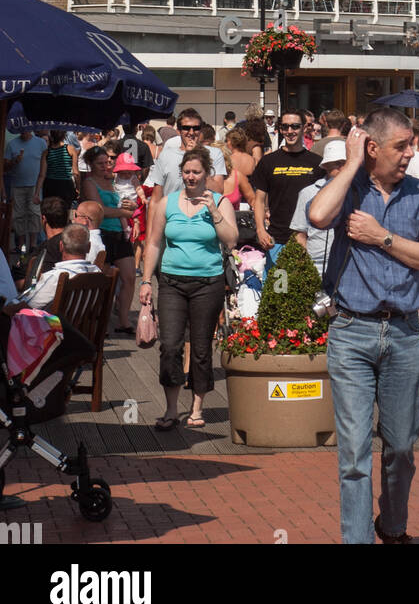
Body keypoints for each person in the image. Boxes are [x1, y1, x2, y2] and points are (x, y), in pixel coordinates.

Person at [308, 110, 419, 545]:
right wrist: (351, 165)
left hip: (404, 333)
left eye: (413, 145)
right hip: (351, 331)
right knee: (353, 454)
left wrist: (380, 236)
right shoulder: (349, 189)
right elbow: (316, 216)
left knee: (401, 447)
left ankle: (392, 525)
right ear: (373, 147)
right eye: (401, 146)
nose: (412, 153)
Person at [140, 149, 237, 430]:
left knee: (201, 347)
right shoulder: (166, 203)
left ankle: (196, 408)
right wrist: (146, 280)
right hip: (171, 281)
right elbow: (154, 244)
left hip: (208, 282)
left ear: (206, 174)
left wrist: (214, 211)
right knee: (170, 345)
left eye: (196, 172)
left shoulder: (219, 202)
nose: (191, 177)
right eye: (187, 172)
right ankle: (171, 409)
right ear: (181, 173)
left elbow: (231, 240)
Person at [252, 112, 321, 277]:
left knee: (305, 295)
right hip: (278, 241)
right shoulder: (269, 162)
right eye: (285, 126)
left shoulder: (317, 163)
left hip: (309, 241)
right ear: (280, 129)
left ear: (304, 128)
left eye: (295, 126)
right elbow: (259, 201)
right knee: (279, 292)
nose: (290, 131)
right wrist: (261, 230)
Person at [80, 144, 137, 333]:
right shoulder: (89, 183)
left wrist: (132, 204)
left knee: (129, 277)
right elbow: (99, 210)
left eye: (108, 162)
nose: (106, 166)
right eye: (100, 163)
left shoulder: (114, 181)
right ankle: (99, 321)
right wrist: (124, 211)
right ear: (91, 165)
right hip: (101, 234)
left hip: (120, 234)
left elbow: (129, 202)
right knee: (102, 280)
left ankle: (123, 320)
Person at [146, 109, 227, 212]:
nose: (191, 133)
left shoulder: (215, 154)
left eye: (196, 128)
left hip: (203, 218)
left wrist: (198, 155)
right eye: (186, 128)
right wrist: (151, 228)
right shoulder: (166, 155)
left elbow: (218, 190)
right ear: (178, 131)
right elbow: (156, 199)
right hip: (172, 218)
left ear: (201, 130)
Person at [290, 139, 348, 276]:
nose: (342, 169)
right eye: (337, 165)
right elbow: (300, 233)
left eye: (345, 164)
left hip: (345, 263)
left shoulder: (356, 192)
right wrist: (304, 264)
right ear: (326, 166)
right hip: (315, 264)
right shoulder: (308, 193)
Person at [22, 224, 100, 310]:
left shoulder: (55, 278)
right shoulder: (99, 274)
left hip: (53, 322)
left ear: (61, 246)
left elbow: (28, 305)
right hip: (80, 322)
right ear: (89, 247)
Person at [3, 127, 48, 253]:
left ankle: (33, 245)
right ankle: (21, 245)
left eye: (26, 129)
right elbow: (5, 166)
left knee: (34, 214)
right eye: (21, 129)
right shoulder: (12, 144)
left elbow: (43, 166)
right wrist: (14, 161)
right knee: (19, 215)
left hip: (34, 184)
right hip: (17, 184)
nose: (24, 131)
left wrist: (39, 188)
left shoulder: (41, 143)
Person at [36, 129, 79, 210]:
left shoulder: (46, 152)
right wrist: (78, 188)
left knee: (49, 210)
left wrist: (36, 193)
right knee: (65, 211)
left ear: (51, 136)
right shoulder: (71, 149)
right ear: (64, 136)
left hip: (50, 184)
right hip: (65, 185)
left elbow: (42, 175)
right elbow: (76, 173)